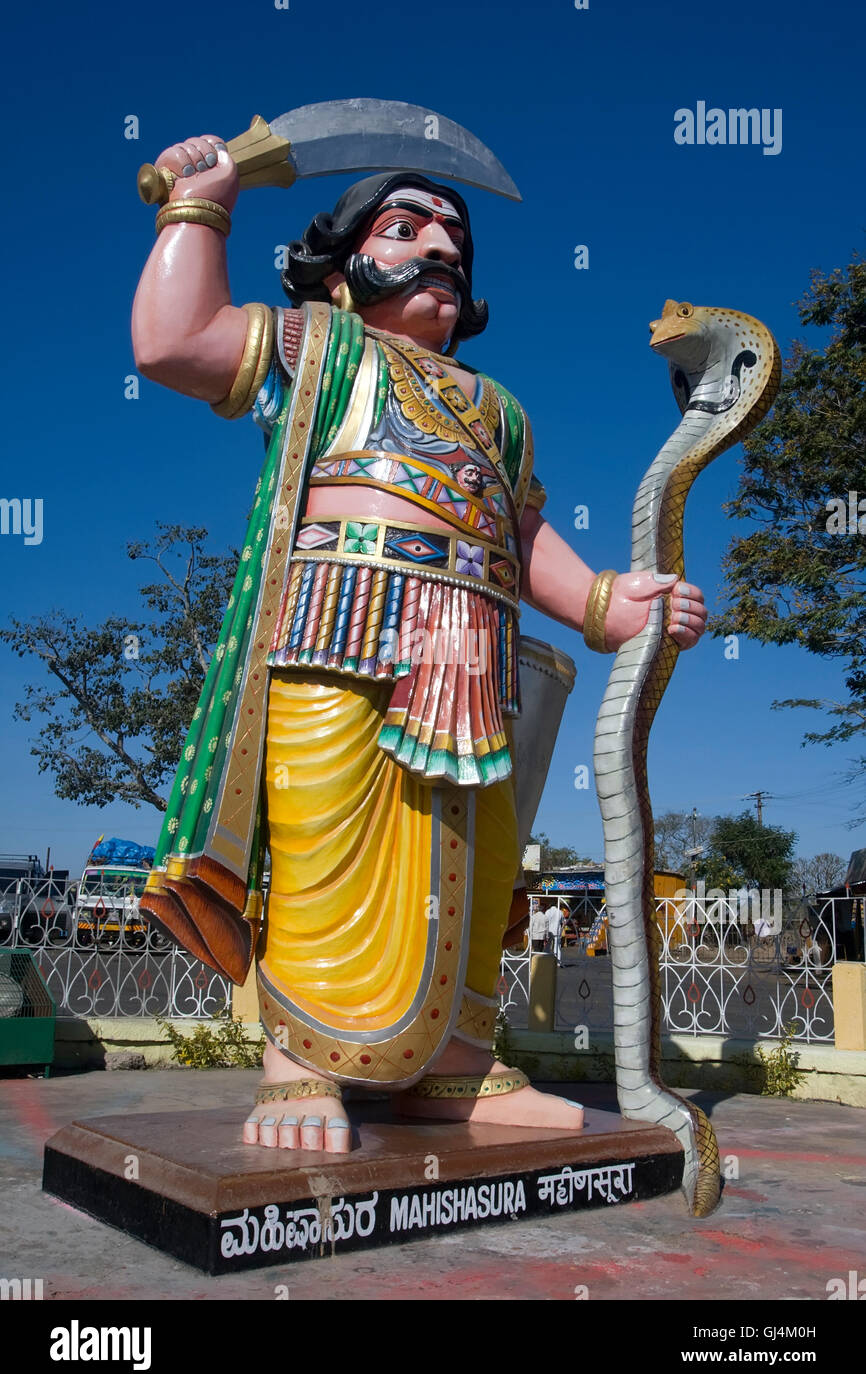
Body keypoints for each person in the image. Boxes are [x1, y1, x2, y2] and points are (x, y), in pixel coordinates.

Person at [134, 133, 707, 1152]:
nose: (439, 244)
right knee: (327, 834)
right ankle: (301, 1065)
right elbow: (175, 344)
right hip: (337, 623)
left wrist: (608, 602)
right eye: (406, 227)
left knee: (477, 859)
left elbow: (523, 536)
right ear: (343, 262)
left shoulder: (500, 409)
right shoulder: (318, 346)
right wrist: (199, 208)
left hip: (471, 654)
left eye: (453, 235)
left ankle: (457, 1070)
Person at [545, 900, 564, 965]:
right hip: (557, 931)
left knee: (548, 946)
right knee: (557, 947)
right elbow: (562, 922)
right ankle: (558, 962)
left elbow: (545, 922)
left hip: (549, 931)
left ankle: (547, 960)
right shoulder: (560, 912)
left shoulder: (547, 912)